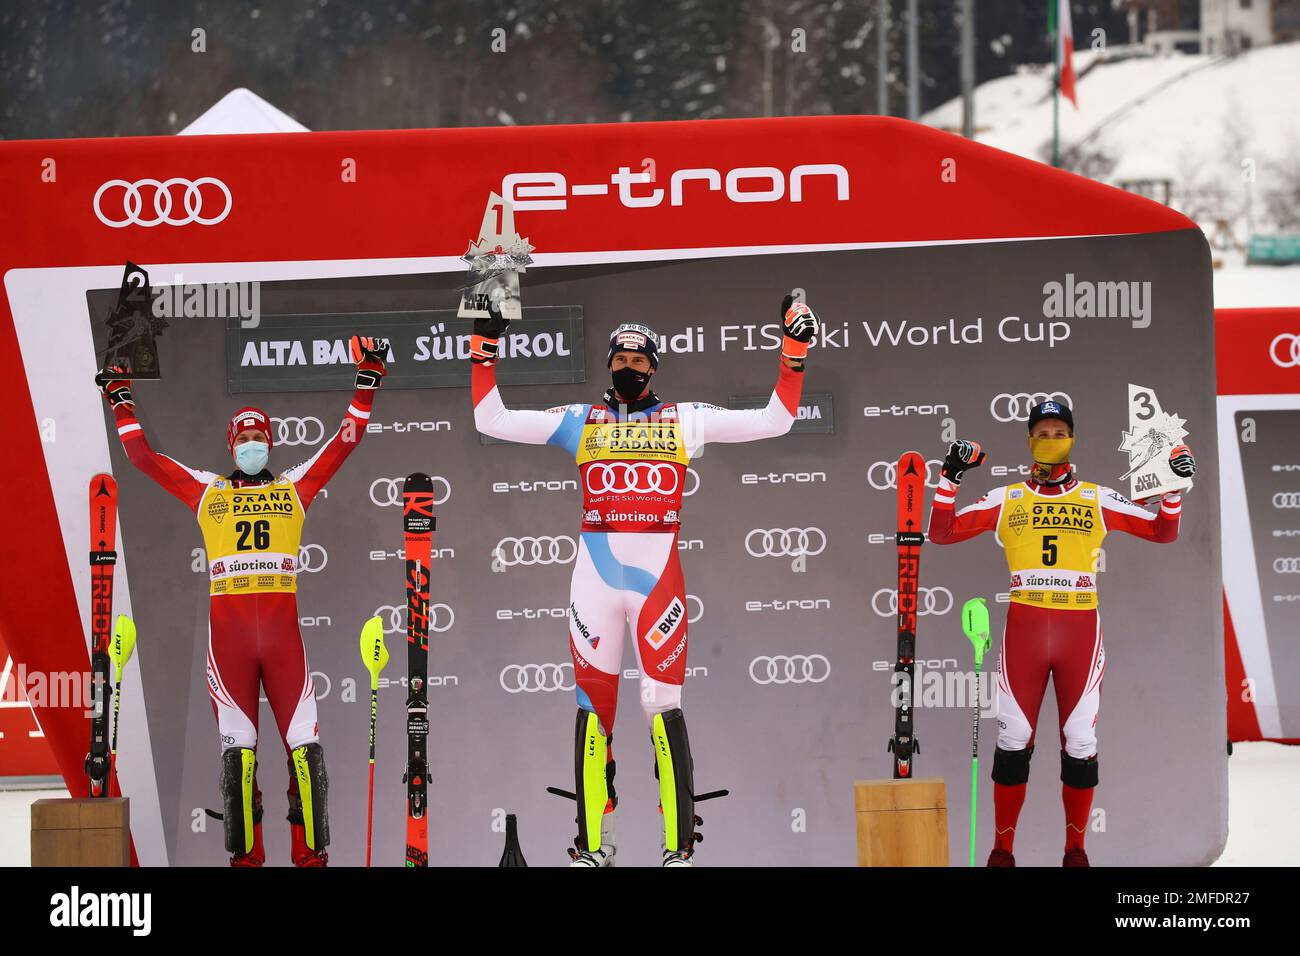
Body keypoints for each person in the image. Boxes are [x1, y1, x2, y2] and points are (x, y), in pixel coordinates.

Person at [471, 295, 819, 866]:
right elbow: (492, 419)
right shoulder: (580, 421)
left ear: (654, 365)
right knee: (592, 713)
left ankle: (677, 850)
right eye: (619, 359)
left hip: (659, 582)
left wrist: (795, 353)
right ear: (608, 364)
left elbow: (775, 420)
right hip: (596, 583)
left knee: (664, 707)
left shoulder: (684, 420)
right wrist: (484, 348)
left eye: (638, 360)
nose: (627, 367)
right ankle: (592, 846)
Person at [94, 336, 388, 866]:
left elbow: (344, 442)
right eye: (244, 436)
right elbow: (143, 457)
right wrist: (120, 398)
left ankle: (310, 862)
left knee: (308, 765)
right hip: (229, 646)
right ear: (232, 445)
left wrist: (366, 380)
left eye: (260, 436)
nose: (253, 442)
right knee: (238, 770)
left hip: (282, 647)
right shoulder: (209, 492)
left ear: (270, 444)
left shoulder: (295, 487)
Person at [928, 399, 1196, 867]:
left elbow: (1162, 532)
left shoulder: (1096, 496)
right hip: (1025, 633)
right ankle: (1002, 853)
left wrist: (1174, 487)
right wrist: (950, 476)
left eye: (1059, 433)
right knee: (1012, 739)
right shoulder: (1008, 497)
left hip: (1078, 632)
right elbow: (942, 532)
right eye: (1043, 433)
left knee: (1080, 741)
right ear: (1030, 439)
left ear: (1072, 439)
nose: (1051, 440)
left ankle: (1075, 853)